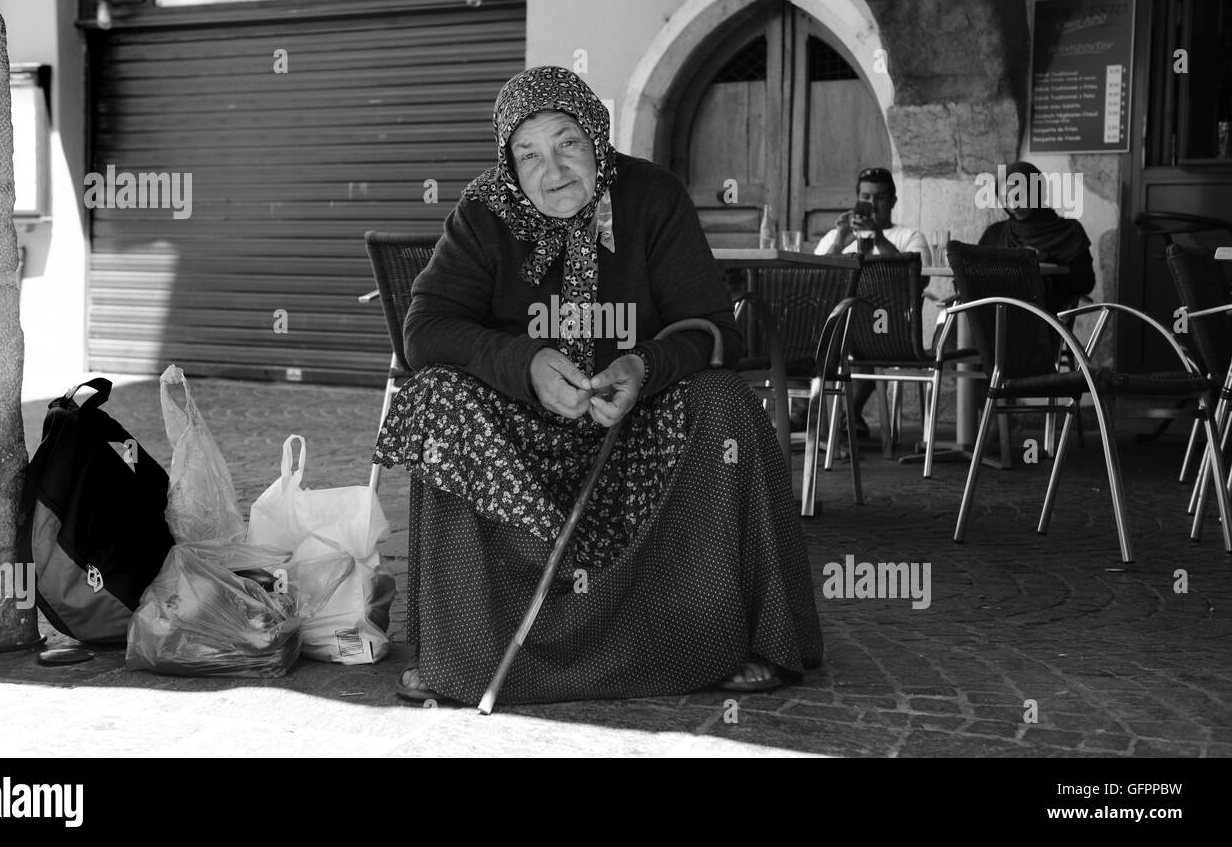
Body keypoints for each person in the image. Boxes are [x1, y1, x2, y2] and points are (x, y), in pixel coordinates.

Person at [372, 65, 824, 706]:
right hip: (520, 432)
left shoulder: (652, 197)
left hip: (636, 427)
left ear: (597, 139)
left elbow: (715, 331)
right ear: (507, 161)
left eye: (566, 144)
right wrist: (523, 363)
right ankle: (466, 654)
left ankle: (718, 640)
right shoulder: (483, 210)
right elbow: (424, 330)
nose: (551, 170)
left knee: (724, 402)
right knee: (437, 398)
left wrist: (644, 367)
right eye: (527, 154)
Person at [811, 167, 931, 440]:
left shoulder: (909, 237)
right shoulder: (837, 237)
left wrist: (879, 239)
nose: (872, 204)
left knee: (863, 328)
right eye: (865, 197)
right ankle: (842, 416)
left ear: (892, 202)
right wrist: (841, 241)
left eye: (879, 198)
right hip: (840, 327)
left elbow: (917, 283)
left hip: (887, 328)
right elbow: (815, 282)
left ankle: (825, 414)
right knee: (829, 328)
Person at [978, 160, 1095, 314]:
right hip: (992, 316)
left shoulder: (1068, 231)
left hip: (1043, 319)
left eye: (1019, 196)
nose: (1013, 206)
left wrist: (1047, 259)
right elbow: (969, 277)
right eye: (1005, 199)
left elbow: (1086, 282)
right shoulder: (995, 233)